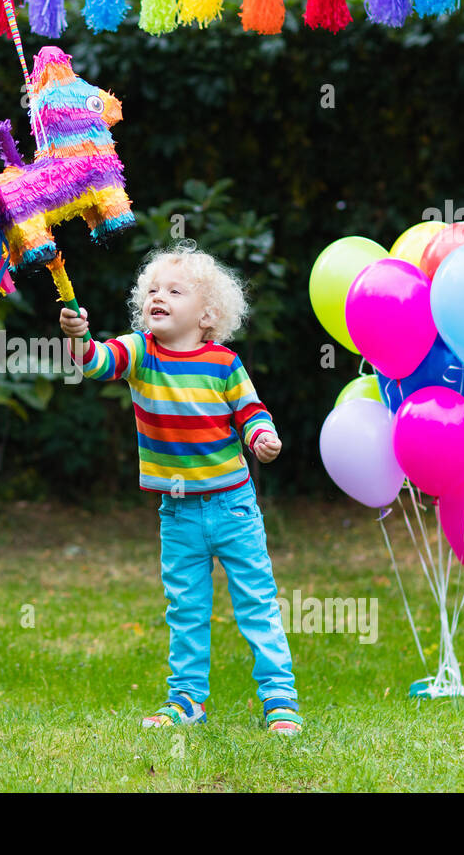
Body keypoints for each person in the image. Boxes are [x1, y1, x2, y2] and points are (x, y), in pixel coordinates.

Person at [59, 243, 302, 733]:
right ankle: (187, 700)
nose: (159, 297)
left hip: (233, 507)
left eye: (174, 290)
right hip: (178, 513)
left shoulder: (224, 363)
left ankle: (280, 698)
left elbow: (250, 410)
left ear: (207, 313)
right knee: (186, 610)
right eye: (152, 290)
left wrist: (262, 438)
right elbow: (96, 362)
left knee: (257, 603)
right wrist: (77, 336)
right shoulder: (141, 352)